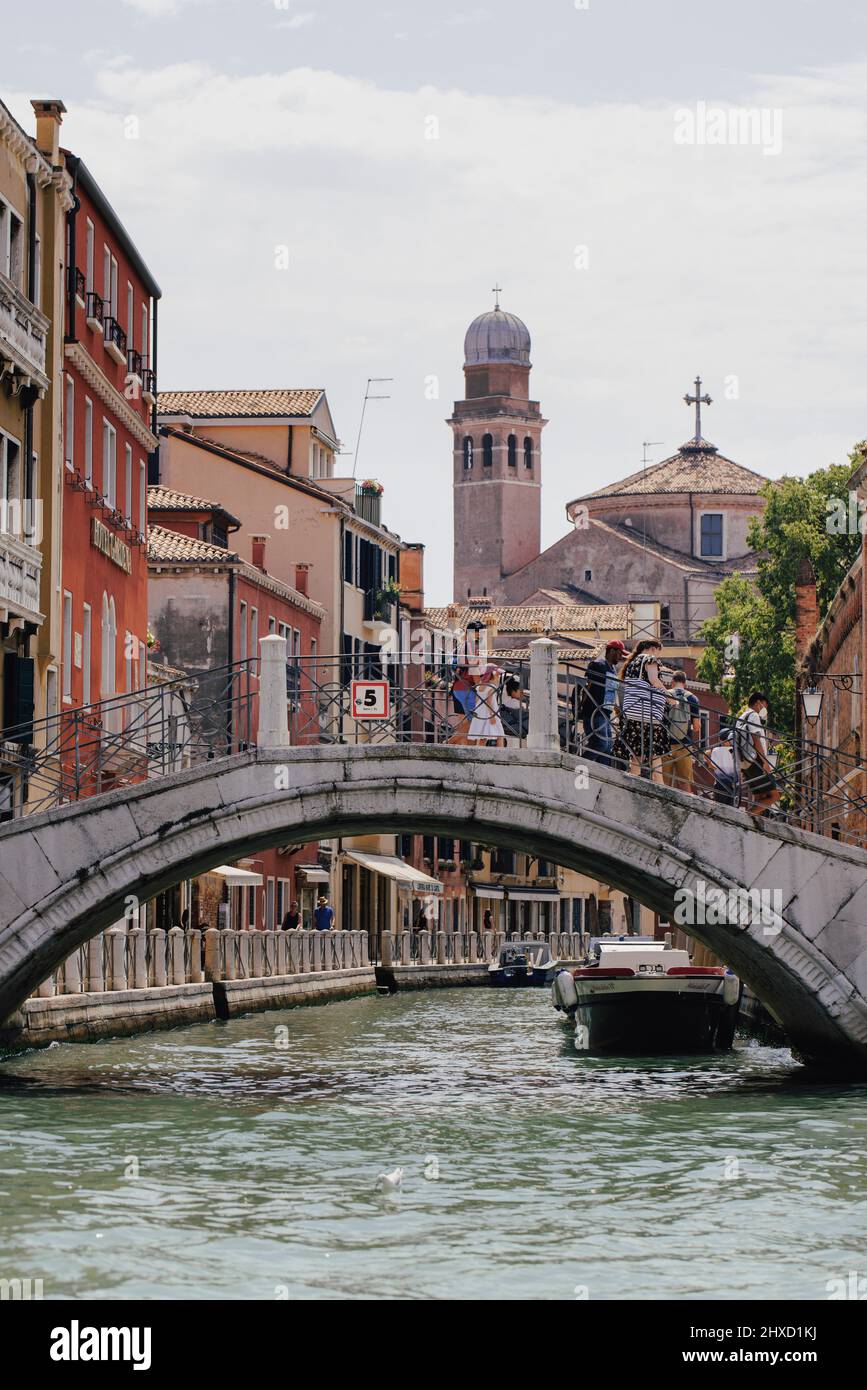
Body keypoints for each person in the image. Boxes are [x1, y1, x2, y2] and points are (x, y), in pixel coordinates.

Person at [616, 639, 672, 782]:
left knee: (636, 749)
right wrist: (668, 696)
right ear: (653, 649)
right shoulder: (650, 659)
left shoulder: (631, 663)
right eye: (659, 652)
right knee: (655, 751)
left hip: (631, 710)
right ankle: (659, 782)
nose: (658, 656)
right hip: (648, 712)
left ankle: (635, 777)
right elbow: (654, 680)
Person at [574, 639, 627, 765]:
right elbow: (588, 686)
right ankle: (578, 765)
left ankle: (603, 774)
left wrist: (617, 710)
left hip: (606, 712)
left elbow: (612, 691)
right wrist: (581, 707)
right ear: (612, 651)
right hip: (594, 711)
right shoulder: (597, 665)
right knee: (600, 744)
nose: (621, 657)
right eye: (620, 653)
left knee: (608, 746)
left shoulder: (613, 669)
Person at [735, 691, 780, 815]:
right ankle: (746, 816)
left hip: (744, 762)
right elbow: (756, 740)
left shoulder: (741, 717)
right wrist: (765, 762)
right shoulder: (754, 715)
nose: (765, 710)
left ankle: (755, 822)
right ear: (758, 702)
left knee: (761, 796)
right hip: (755, 761)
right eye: (765, 706)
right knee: (774, 796)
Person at [662, 670, 701, 792]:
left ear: (672, 682)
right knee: (684, 783)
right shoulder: (693, 698)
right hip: (685, 746)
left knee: (664, 783)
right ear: (685, 683)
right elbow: (696, 727)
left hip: (665, 745)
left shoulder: (665, 695)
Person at [467, 666, 506, 747]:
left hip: (480, 712)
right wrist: (492, 715)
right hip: (490, 712)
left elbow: (476, 700)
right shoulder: (492, 687)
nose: (498, 677)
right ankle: (501, 754)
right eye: (497, 675)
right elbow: (489, 701)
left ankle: (478, 755)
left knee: (482, 737)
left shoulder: (479, 686)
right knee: (500, 734)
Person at [501, 675, 528, 742]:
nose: (522, 694)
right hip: (518, 728)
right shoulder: (515, 703)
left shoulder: (509, 702)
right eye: (520, 692)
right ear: (513, 691)